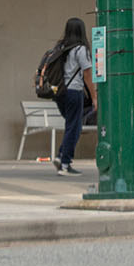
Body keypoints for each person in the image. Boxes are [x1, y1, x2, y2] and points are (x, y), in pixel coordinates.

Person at [50, 17, 96, 176]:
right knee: (74, 127)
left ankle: (61, 155)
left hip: (60, 93)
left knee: (72, 126)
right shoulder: (80, 49)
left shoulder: (61, 47)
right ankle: (65, 164)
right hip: (74, 92)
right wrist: (94, 96)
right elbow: (87, 74)